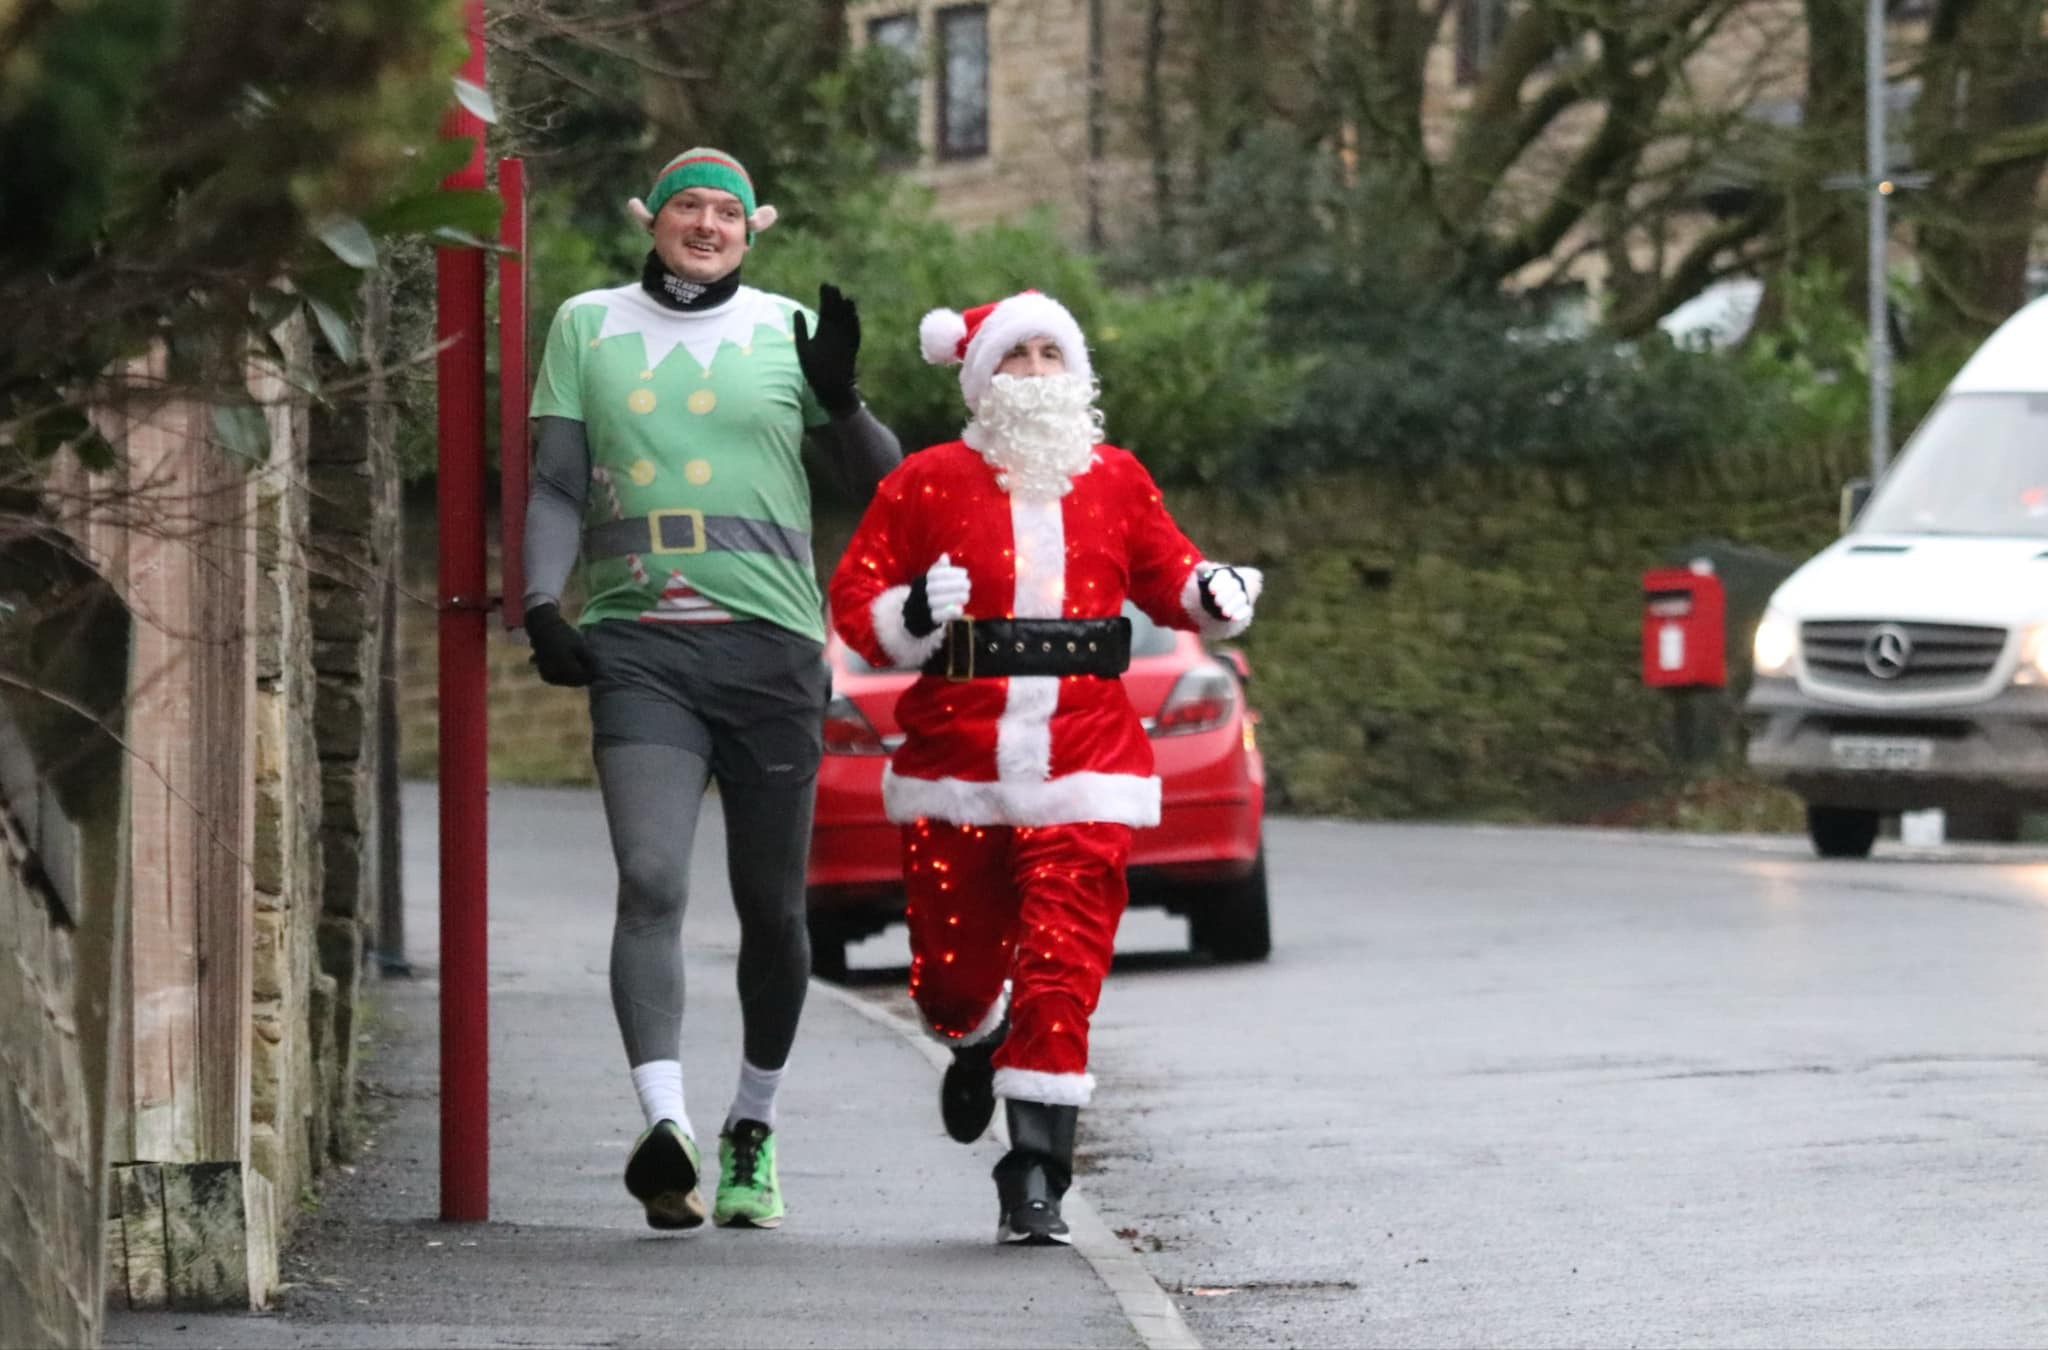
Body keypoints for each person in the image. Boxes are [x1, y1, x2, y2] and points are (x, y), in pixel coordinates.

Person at [827, 291, 1261, 1244]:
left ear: (1075, 372)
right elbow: (854, 601)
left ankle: (1036, 1174)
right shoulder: (926, 484)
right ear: (981, 377)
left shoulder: (1116, 478)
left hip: (1087, 760)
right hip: (957, 763)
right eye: (1015, 355)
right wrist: (911, 612)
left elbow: (1170, 574)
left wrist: (1213, 591)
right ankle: (974, 1041)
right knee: (949, 974)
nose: (1035, 371)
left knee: (1063, 967)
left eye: (1049, 353)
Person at [521, 147, 900, 1231]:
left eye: (723, 212)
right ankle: (665, 1126)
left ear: (752, 228)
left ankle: (751, 1127)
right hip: (638, 649)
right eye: (685, 206)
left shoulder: (785, 331)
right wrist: (543, 605)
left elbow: (890, 489)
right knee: (648, 879)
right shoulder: (586, 326)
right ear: (652, 219)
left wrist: (843, 397)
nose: (703, 223)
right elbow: (552, 484)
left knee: (772, 911)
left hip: (772, 654)